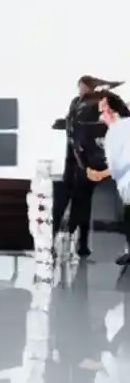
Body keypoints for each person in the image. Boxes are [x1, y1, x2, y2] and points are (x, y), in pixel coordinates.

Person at [52, 75, 124, 258]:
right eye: (80, 87)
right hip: (73, 159)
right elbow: (72, 123)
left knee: (82, 202)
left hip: (89, 160)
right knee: (72, 200)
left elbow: (115, 121)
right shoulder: (76, 102)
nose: (81, 90)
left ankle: (79, 243)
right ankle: (67, 241)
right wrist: (64, 124)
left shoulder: (102, 101)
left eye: (83, 87)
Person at [83, 90, 130, 264]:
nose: (100, 115)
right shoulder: (116, 130)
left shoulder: (123, 129)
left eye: (102, 111)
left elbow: (124, 161)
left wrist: (101, 174)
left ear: (111, 111)